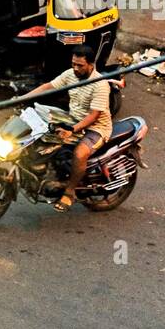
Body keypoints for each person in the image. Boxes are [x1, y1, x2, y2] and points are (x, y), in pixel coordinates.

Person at [30, 47, 114, 212]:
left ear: (91, 65)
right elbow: (48, 86)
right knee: (41, 133)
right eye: (73, 64)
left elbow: (94, 115)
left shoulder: (100, 85)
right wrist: (23, 98)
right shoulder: (70, 74)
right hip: (73, 118)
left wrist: (72, 129)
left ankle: (70, 192)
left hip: (96, 127)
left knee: (79, 153)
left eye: (80, 65)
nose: (76, 68)